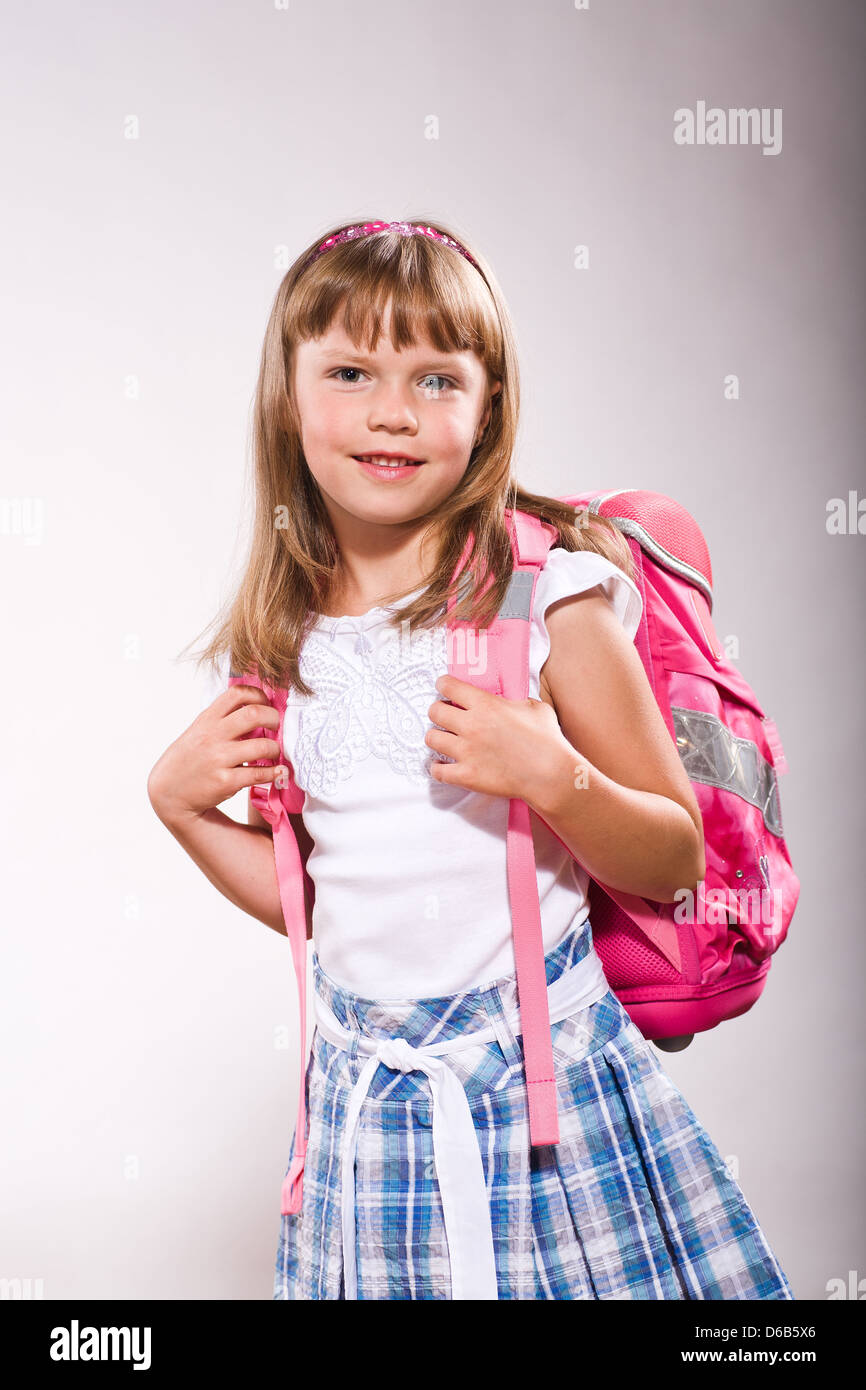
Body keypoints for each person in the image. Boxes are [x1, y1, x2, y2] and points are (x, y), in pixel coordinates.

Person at [148, 218, 794, 1301]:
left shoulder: (547, 597)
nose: (392, 411)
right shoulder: (282, 640)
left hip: (547, 1105)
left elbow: (673, 857)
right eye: (350, 371)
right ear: (288, 396)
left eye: (436, 378)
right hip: (369, 1121)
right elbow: (326, 908)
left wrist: (554, 775)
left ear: (486, 403)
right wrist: (178, 808)